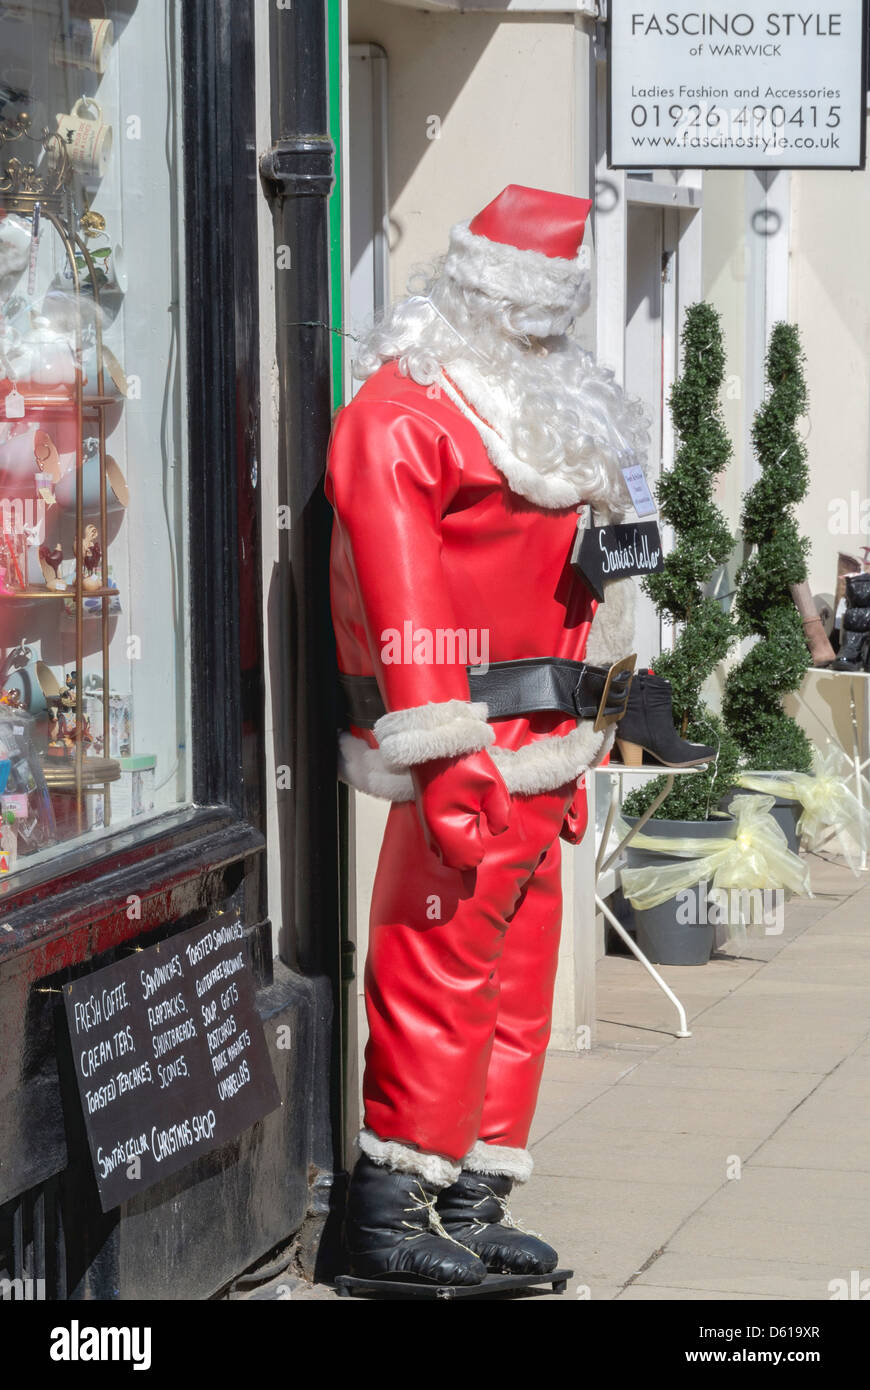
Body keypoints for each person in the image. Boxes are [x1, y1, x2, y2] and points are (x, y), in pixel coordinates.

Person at [326, 185, 649, 1285]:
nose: (540, 333)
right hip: (465, 744)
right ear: (470, 293)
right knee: (438, 961)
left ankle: (469, 1189)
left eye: (555, 316)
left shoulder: (538, 416)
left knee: (515, 972)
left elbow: (588, 576)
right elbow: (401, 591)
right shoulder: (402, 415)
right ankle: (388, 1212)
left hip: (546, 741)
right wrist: (443, 748)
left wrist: (605, 705)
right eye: (528, 311)